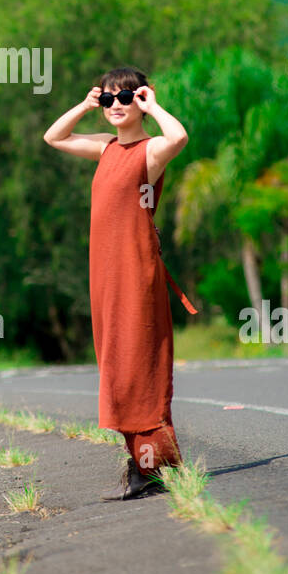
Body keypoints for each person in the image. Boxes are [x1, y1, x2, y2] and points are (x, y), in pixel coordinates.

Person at [43, 66, 195, 500]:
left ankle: (150, 465)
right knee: (115, 363)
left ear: (140, 100)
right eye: (108, 99)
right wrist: (84, 105)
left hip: (136, 271)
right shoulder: (106, 149)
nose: (115, 106)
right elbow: (54, 138)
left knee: (136, 362)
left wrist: (153, 105)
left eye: (123, 98)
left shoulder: (150, 152)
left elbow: (179, 138)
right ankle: (151, 465)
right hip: (105, 273)